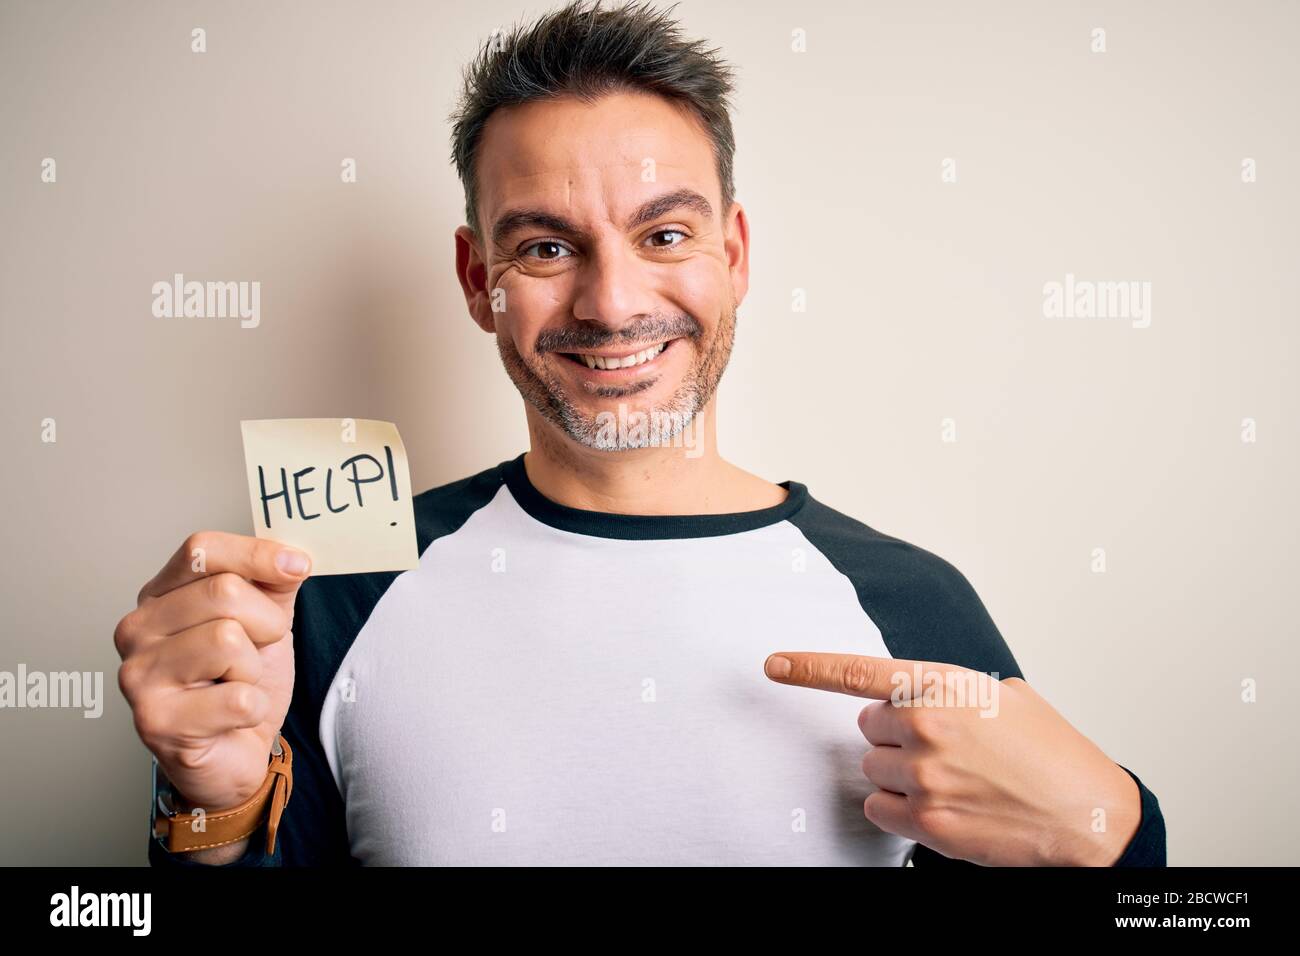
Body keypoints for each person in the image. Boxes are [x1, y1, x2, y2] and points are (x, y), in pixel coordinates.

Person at [115, 0, 1165, 867]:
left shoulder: (909, 604)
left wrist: (1116, 829)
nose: (612, 304)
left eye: (664, 233)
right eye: (544, 245)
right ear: (478, 279)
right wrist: (210, 811)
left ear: (734, 253)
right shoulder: (338, 595)